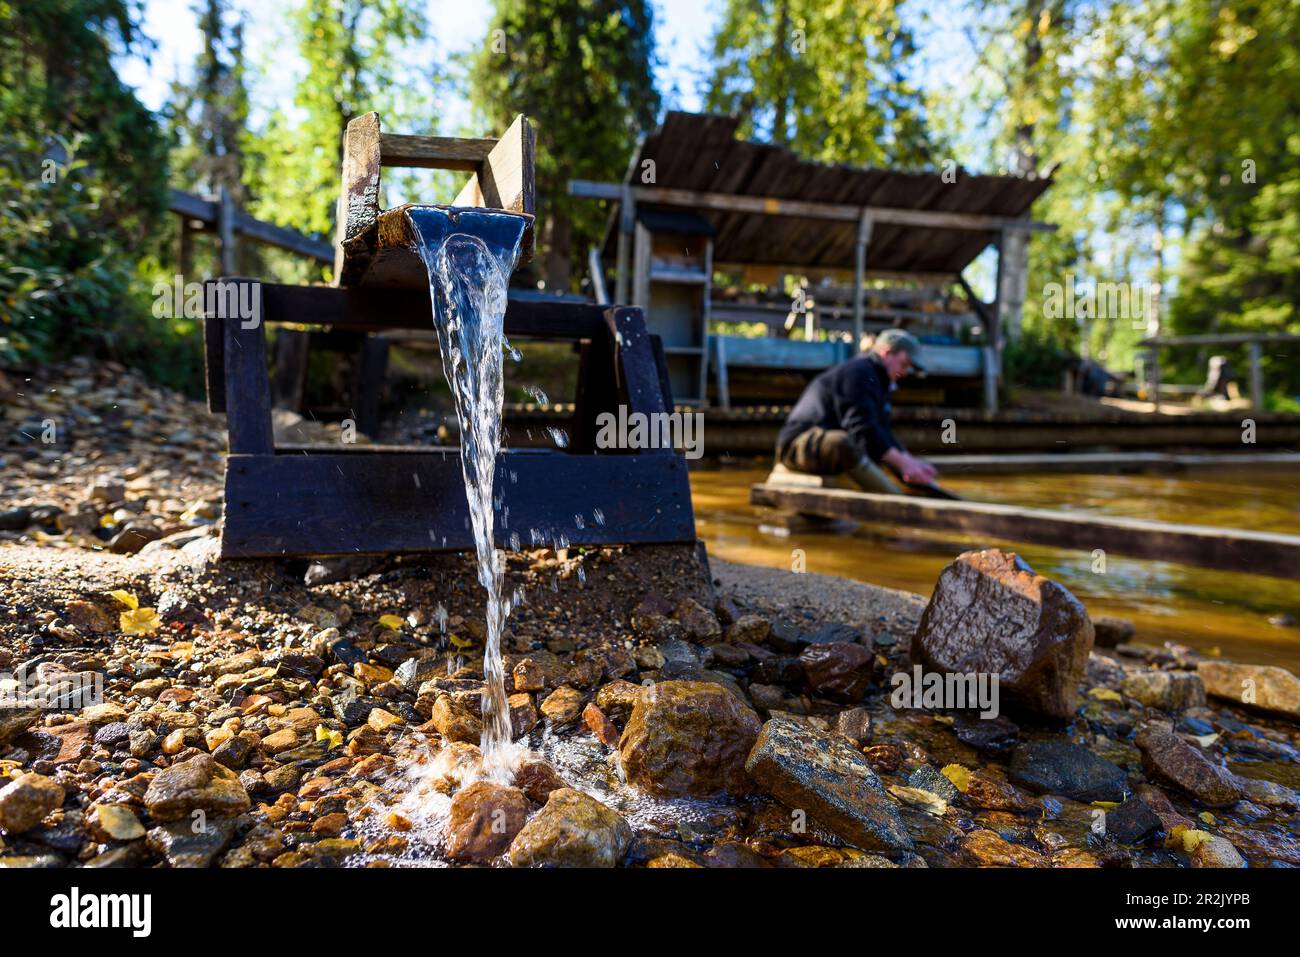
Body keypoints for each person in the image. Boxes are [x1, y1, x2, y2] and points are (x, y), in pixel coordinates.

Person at [776, 328, 938, 494]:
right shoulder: (858, 372)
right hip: (796, 446)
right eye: (904, 365)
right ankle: (895, 499)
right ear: (887, 353)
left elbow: (882, 433)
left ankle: (914, 493)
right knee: (841, 443)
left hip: (828, 446)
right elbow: (862, 430)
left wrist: (909, 461)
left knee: (857, 444)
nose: (905, 372)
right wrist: (903, 463)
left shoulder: (880, 382)